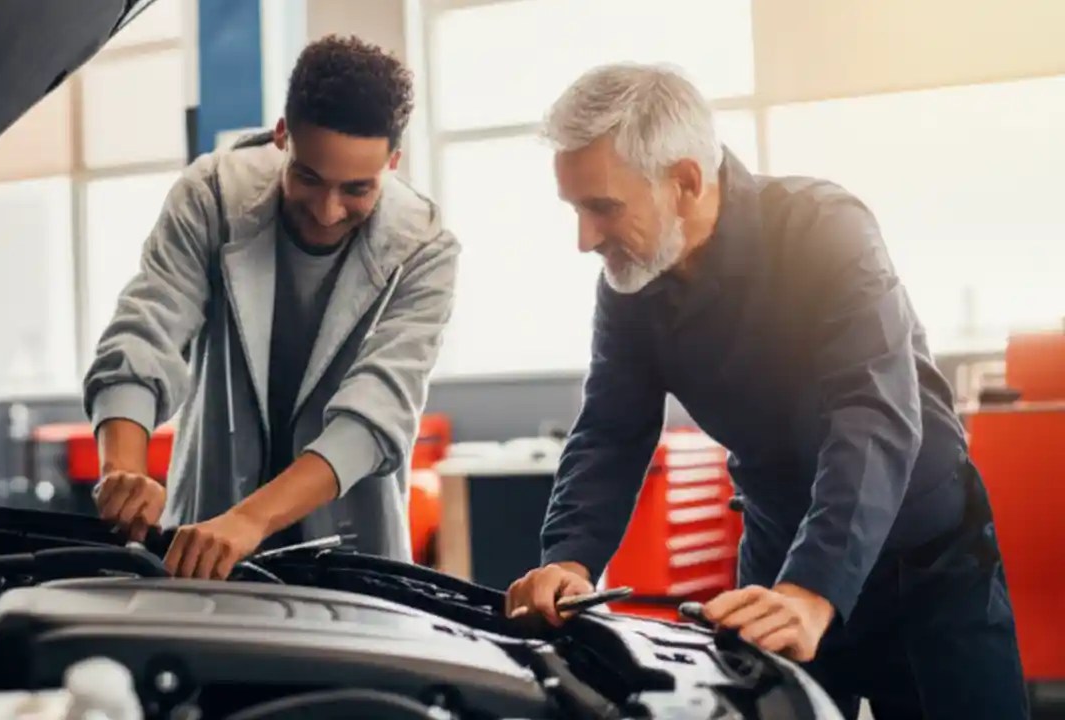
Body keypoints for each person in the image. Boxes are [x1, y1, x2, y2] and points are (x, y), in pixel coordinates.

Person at [504, 63, 1027, 718]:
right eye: (576, 209)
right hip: (779, 563)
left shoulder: (823, 229)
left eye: (602, 207)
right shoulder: (631, 281)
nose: (585, 240)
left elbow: (870, 413)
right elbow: (610, 428)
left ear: (687, 182)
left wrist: (815, 588)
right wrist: (572, 561)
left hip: (920, 566)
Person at [83, 35, 459, 581]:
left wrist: (248, 521)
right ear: (282, 135)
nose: (328, 212)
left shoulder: (425, 249)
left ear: (393, 163)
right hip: (202, 535)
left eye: (356, 188)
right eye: (308, 177)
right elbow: (147, 330)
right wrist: (123, 472)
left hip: (350, 554)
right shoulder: (210, 195)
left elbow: (376, 415)